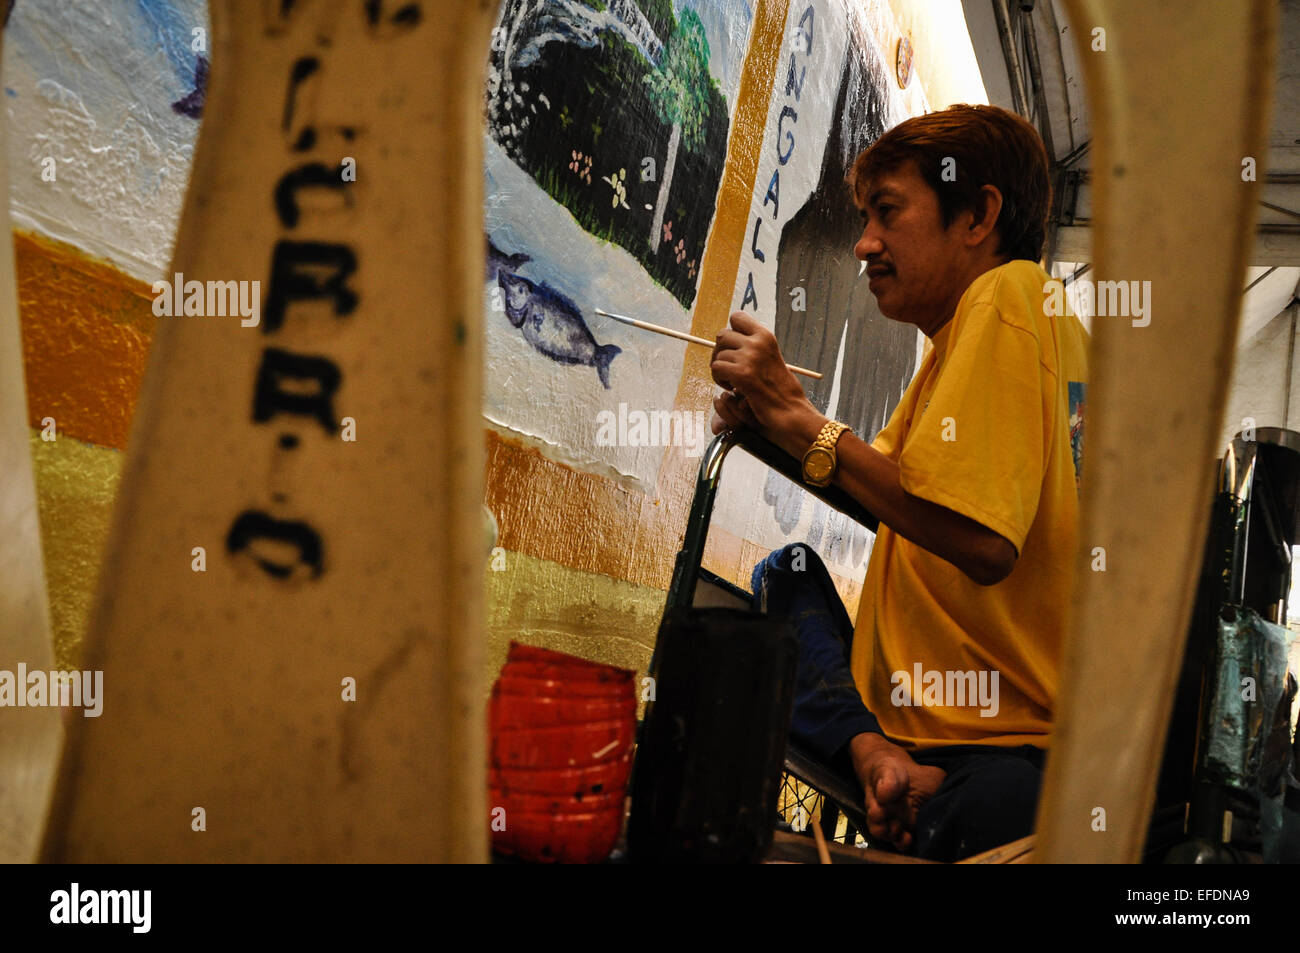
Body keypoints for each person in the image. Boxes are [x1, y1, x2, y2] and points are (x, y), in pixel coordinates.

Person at [709, 104, 1090, 862]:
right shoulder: (972, 344)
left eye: (887, 212)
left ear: (979, 213)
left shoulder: (1008, 298)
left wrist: (794, 413)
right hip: (935, 731)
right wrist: (773, 423)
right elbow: (876, 492)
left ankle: (898, 771)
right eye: (863, 216)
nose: (864, 244)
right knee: (785, 574)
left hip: (1000, 750)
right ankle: (879, 756)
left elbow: (983, 541)